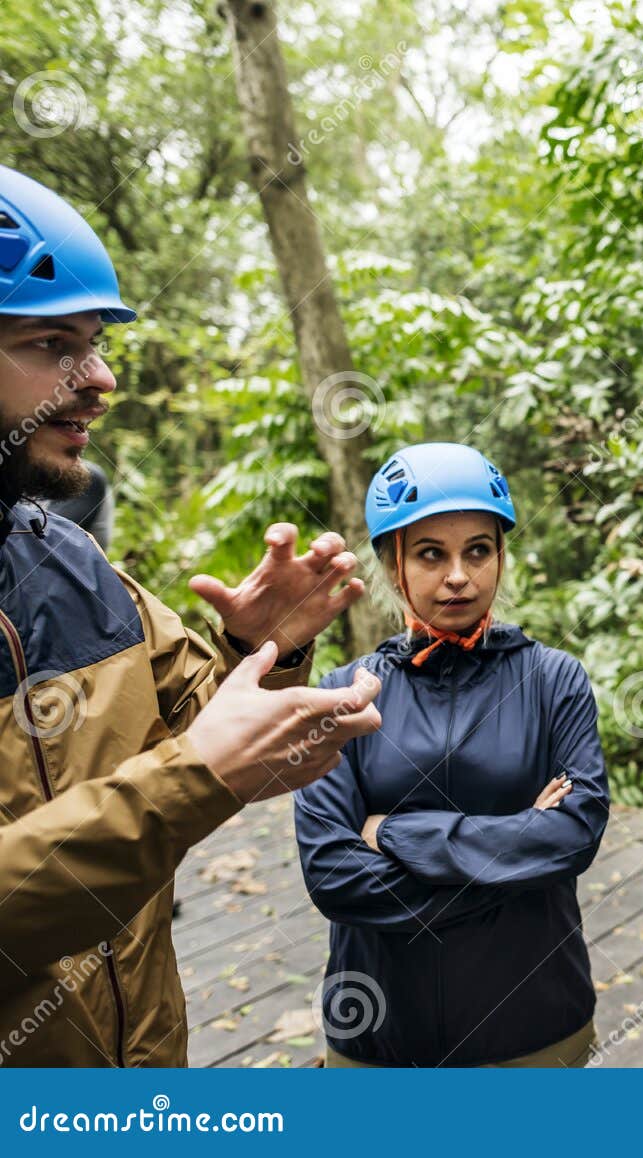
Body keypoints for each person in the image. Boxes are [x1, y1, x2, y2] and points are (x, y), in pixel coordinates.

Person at [0, 163, 380, 1066]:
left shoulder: (69, 558)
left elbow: (192, 727)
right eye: (53, 344)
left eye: (96, 344)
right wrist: (192, 780)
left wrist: (260, 652)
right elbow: (187, 772)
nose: (102, 378)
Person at [295, 442, 609, 1068]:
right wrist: (520, 849)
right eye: (431, 554)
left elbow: (574, 836)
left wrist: (391, 834)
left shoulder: (554, 681)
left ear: (501, 557)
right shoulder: (342, 693)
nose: (459, 575)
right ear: (394, 566)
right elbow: (333, 875)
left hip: (535, 1027)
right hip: (380, 1037)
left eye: (478, 551)